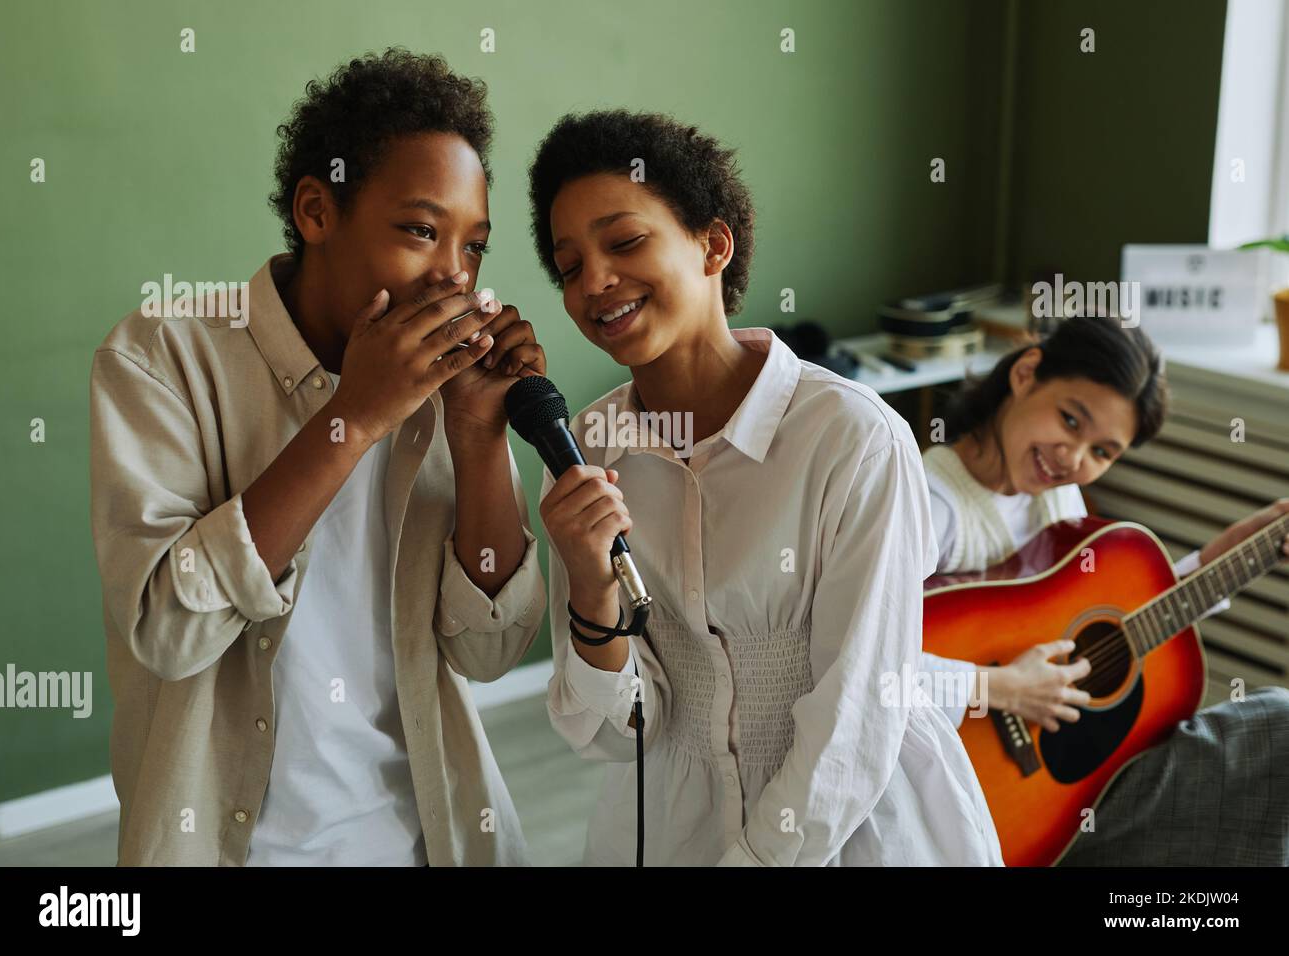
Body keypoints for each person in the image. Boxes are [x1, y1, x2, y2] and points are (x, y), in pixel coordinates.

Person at [89, 49, 546, 866]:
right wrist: (354, 416)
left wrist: (478, 440)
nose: (453, 274)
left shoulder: (452, 392)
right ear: (315, 210)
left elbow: (489, 653)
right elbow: (167, 630)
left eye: (473, 246)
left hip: (426, 838)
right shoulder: (162, 355)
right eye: (419, 230)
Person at [528, 109, 1003, 866]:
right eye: (569, 265)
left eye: (624, 242)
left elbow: (856, 715)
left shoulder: (854, 439)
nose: (596, 282)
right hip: (668, 823)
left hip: (850, 823)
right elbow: (613, 731)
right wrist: (590, 587)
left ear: (714, 244)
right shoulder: (588, 447)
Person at [920, 314, 1289, 865]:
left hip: (1067, 783)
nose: (1073, 459)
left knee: (1274, 730)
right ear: (1026, 373)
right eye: (1070, 420)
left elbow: (1090, 625)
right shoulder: (930, 506)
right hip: (963, 799)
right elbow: (865, 672)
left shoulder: (1058, 498)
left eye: (1103, 452)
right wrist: (1000, 688)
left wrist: (1217, 561)